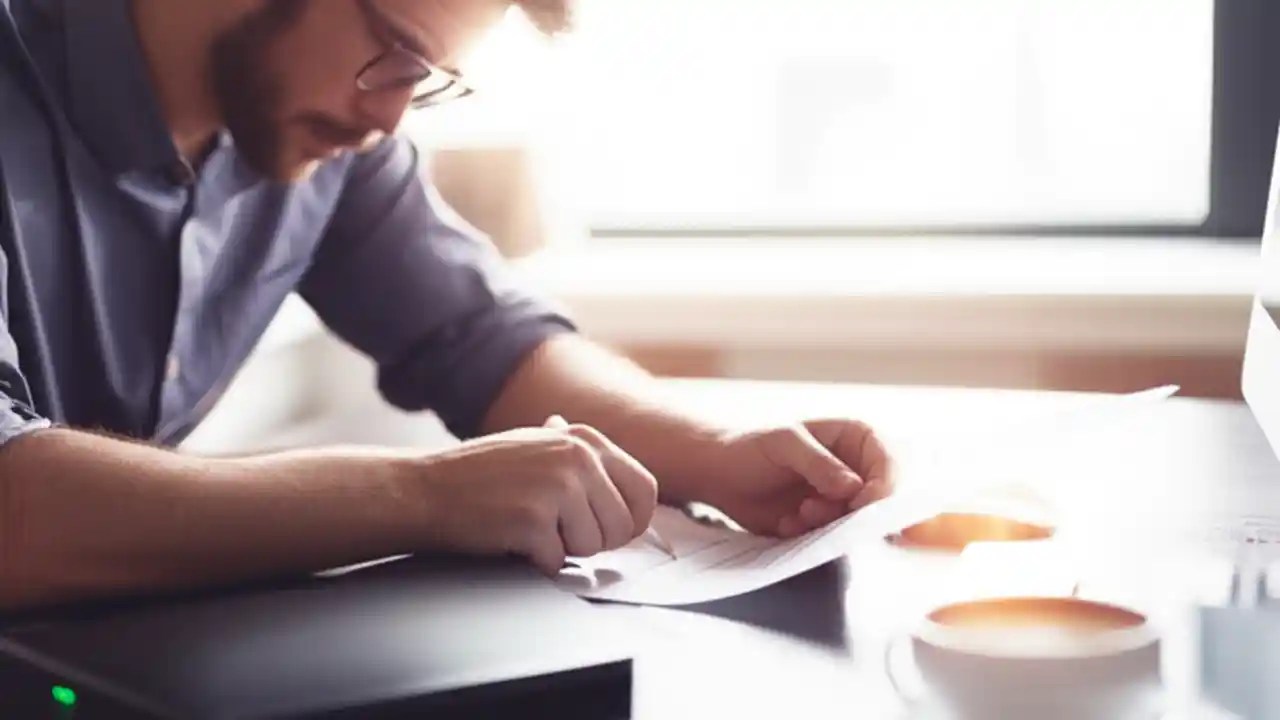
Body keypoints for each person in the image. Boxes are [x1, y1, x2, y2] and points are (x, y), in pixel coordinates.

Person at [0, 0, 893, 611]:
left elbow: (486, 338)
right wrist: (422, 494)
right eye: (395, 56)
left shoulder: (317, 132)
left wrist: (718, 453)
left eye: (425, 80)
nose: (390, 118)